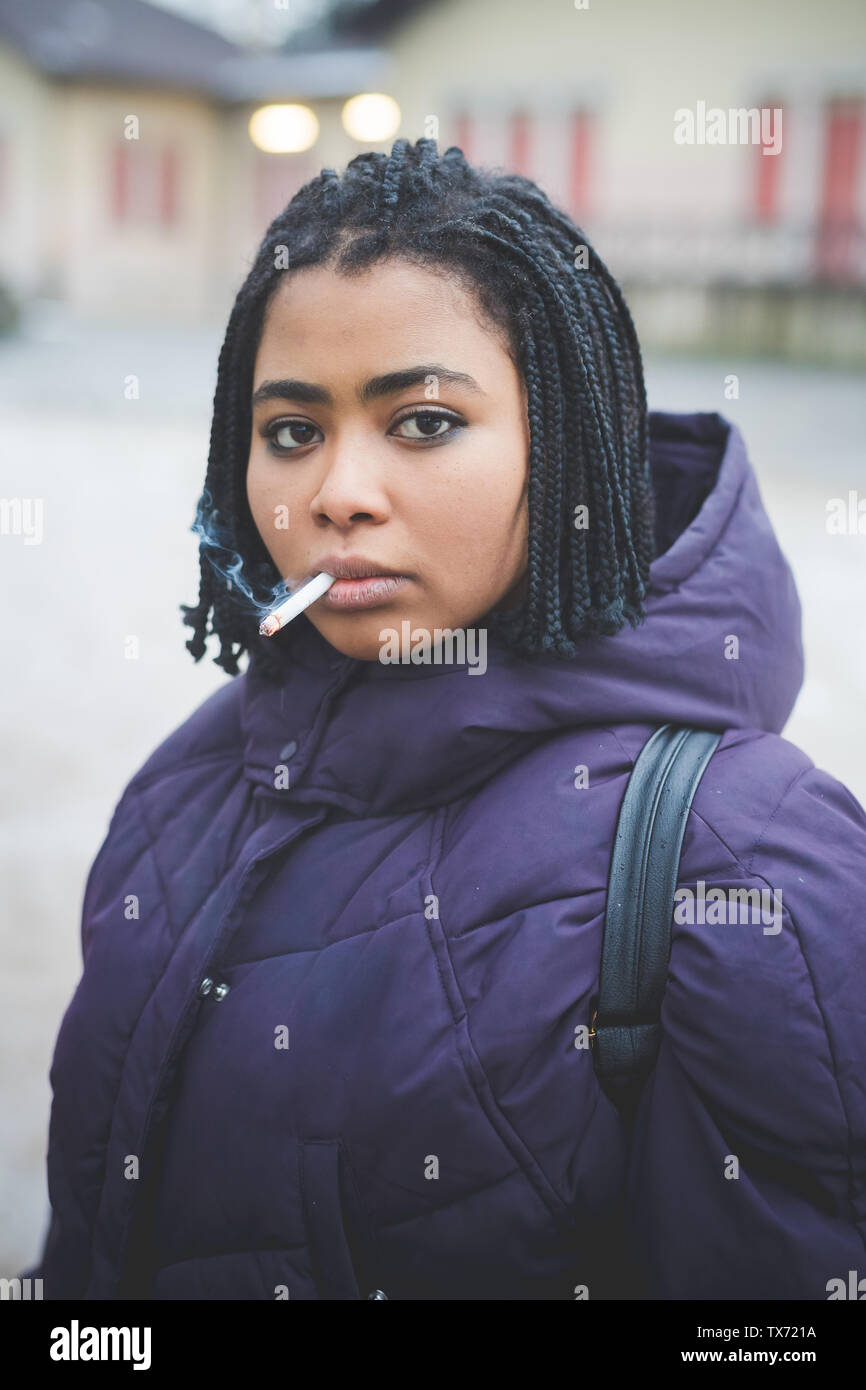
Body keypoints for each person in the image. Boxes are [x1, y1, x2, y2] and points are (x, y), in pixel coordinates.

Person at [26, 138, 866, 1300]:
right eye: (291, 429)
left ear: (567, 442)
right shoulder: (196, 777)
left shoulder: (737, 859)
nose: (334, 492)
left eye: (420, 422)